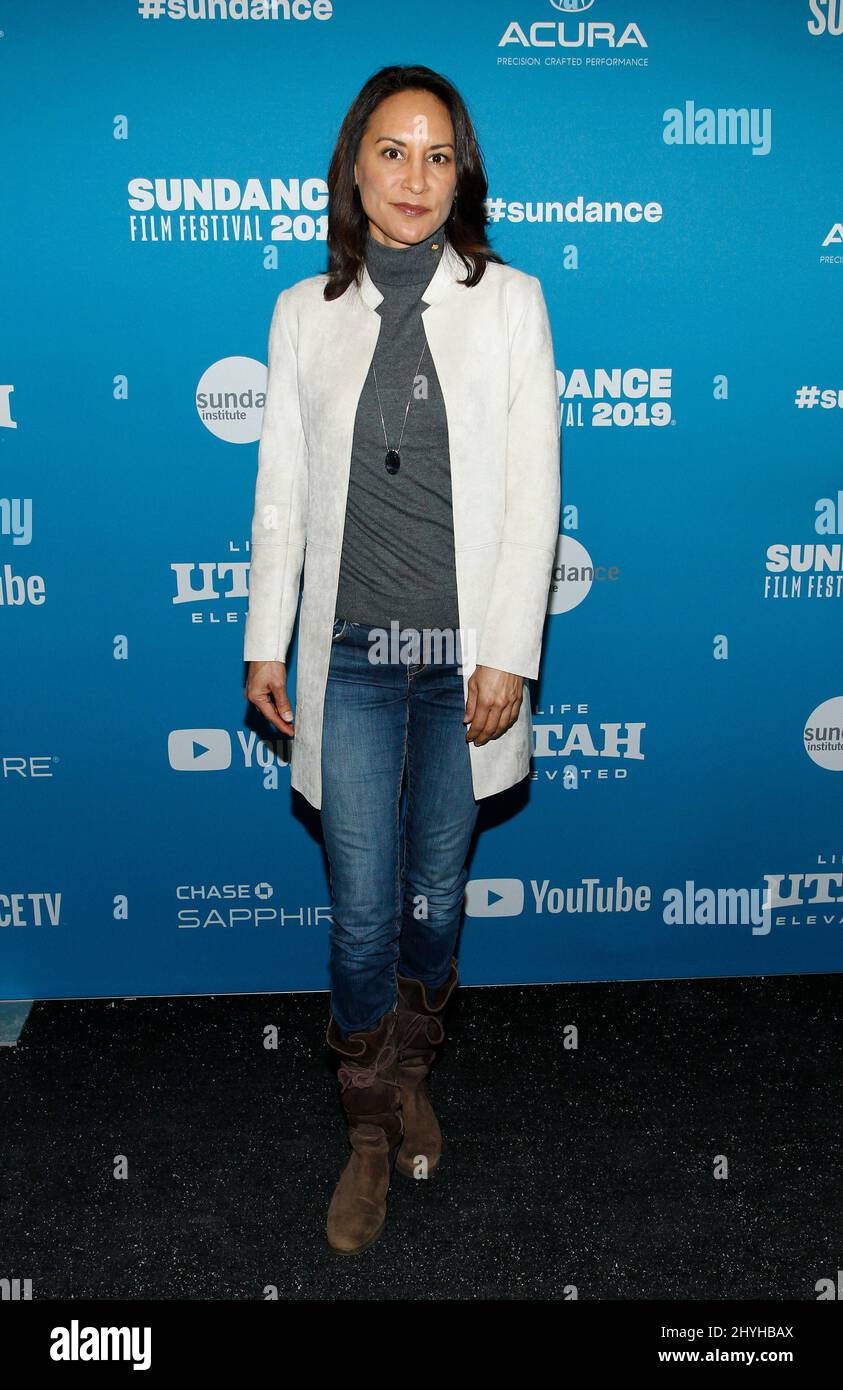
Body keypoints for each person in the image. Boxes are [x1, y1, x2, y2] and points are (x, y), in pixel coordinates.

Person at [243, 64, 561, 1255]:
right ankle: (369, 1127)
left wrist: (509, 655)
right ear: (354, 166)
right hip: (352, 657)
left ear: (461, 169)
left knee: (435, 904)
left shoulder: (513, 301)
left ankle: (410, 1066)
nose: (415, 178)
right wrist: (262, 637)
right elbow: (280, 491)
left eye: (437, 155)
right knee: (364, 913)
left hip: (463, 664)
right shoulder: (300, 311)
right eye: (392, 151)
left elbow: (534, 490)